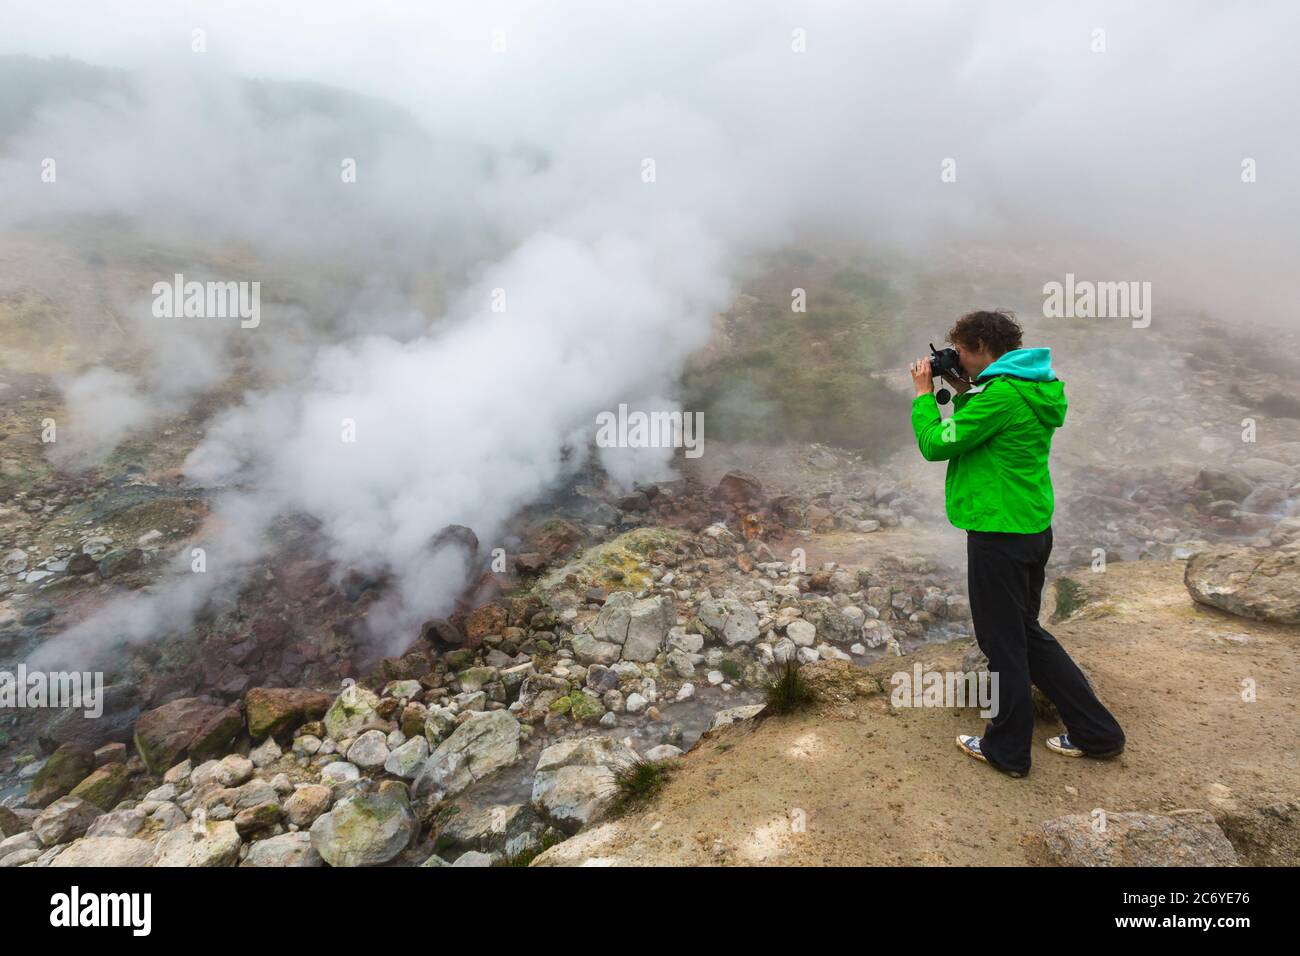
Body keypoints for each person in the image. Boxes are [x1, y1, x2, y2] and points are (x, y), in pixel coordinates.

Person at [908, 309, 1125, 777]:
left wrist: (925, 396)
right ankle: (1097, 733)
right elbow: (988, 428)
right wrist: (966, 388)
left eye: (961, 353)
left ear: (981, 346)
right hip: (1029, 527)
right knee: (1027, 633)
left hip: (998, 533)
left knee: (1001, 642)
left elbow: (936, 443)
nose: (957, 360)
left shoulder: (1002, 394)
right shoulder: (1030, 385)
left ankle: (1007, 749)